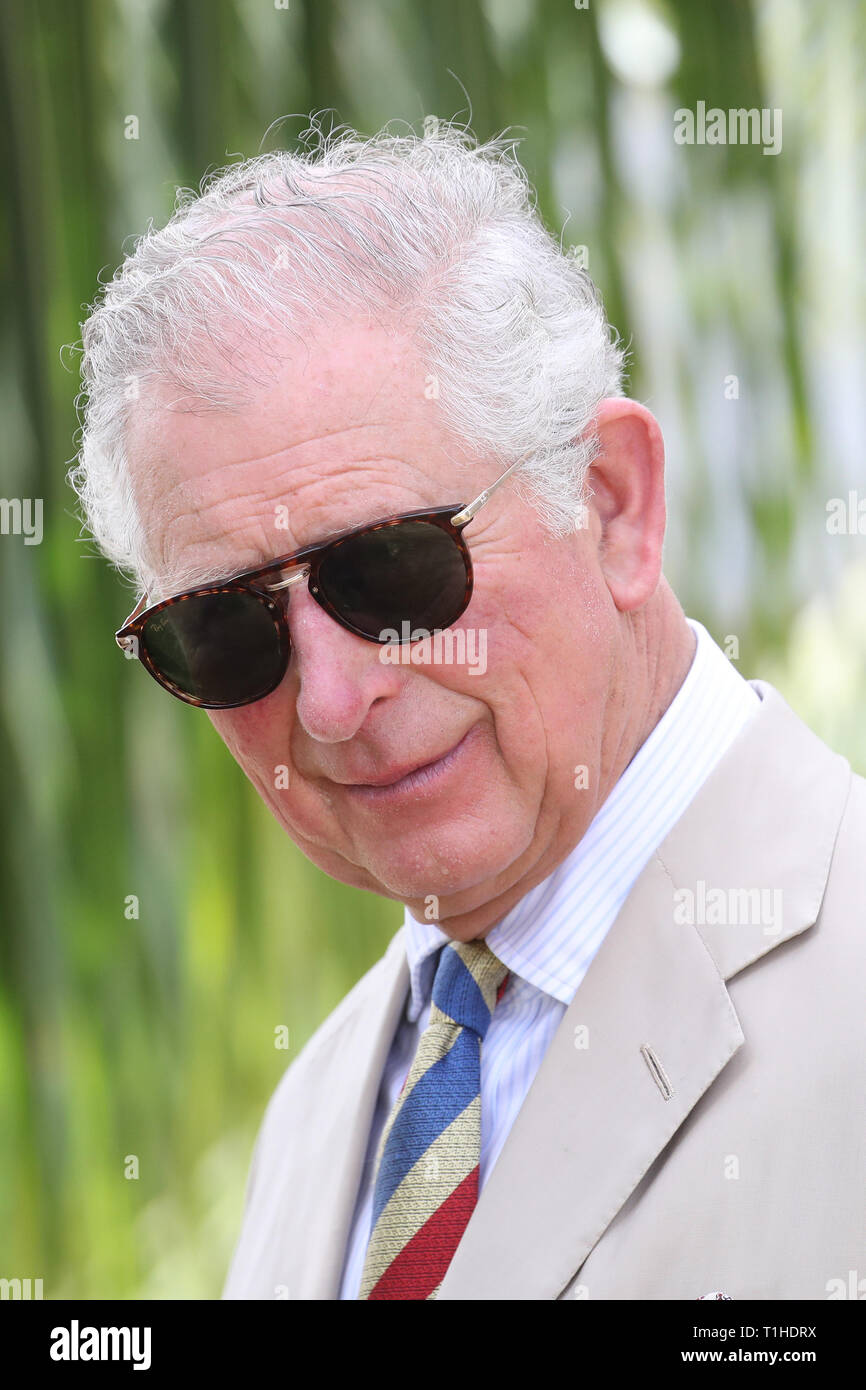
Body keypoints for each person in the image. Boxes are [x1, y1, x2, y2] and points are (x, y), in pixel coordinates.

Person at [70, 121, 866, 1300]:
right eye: (227, 631)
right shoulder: (327, 1109)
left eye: (391, 572)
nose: (333, 702)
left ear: (610, 504)